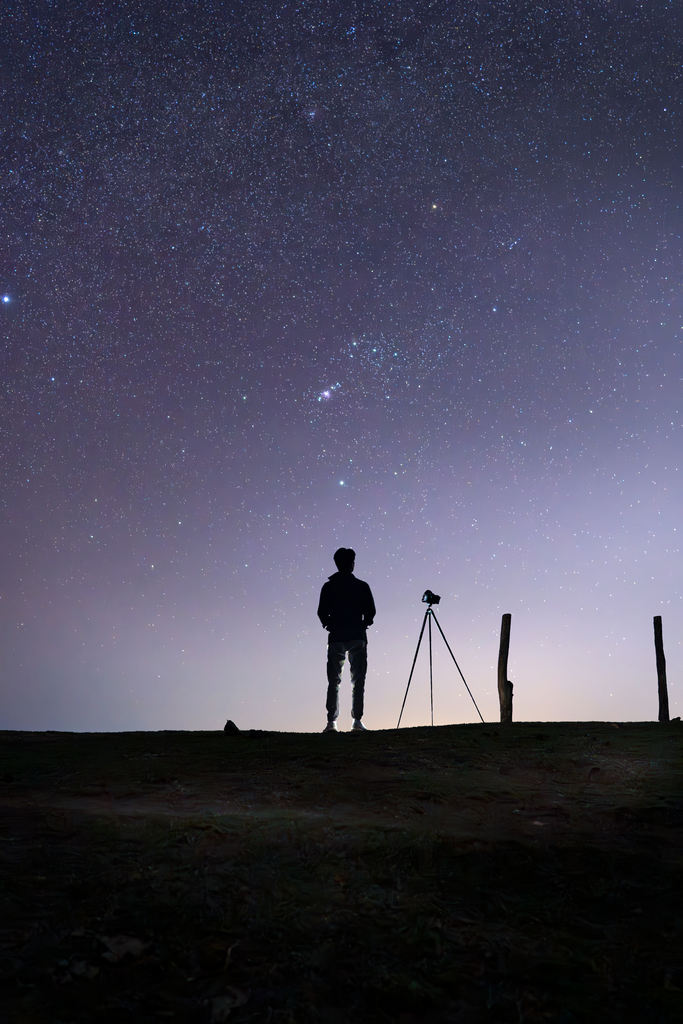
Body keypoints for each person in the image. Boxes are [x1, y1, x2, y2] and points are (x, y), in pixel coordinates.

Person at [317, 547, 376, 732]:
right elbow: (371, 611)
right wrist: (364, 623)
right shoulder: (361, 586)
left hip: (337, 637)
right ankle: (356, 721)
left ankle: (331, 722)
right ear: (351, 563)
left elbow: (321, 612)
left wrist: (328, 624)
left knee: (334, 681)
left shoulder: (329, 586)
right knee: (358, 680)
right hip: (357, 636)